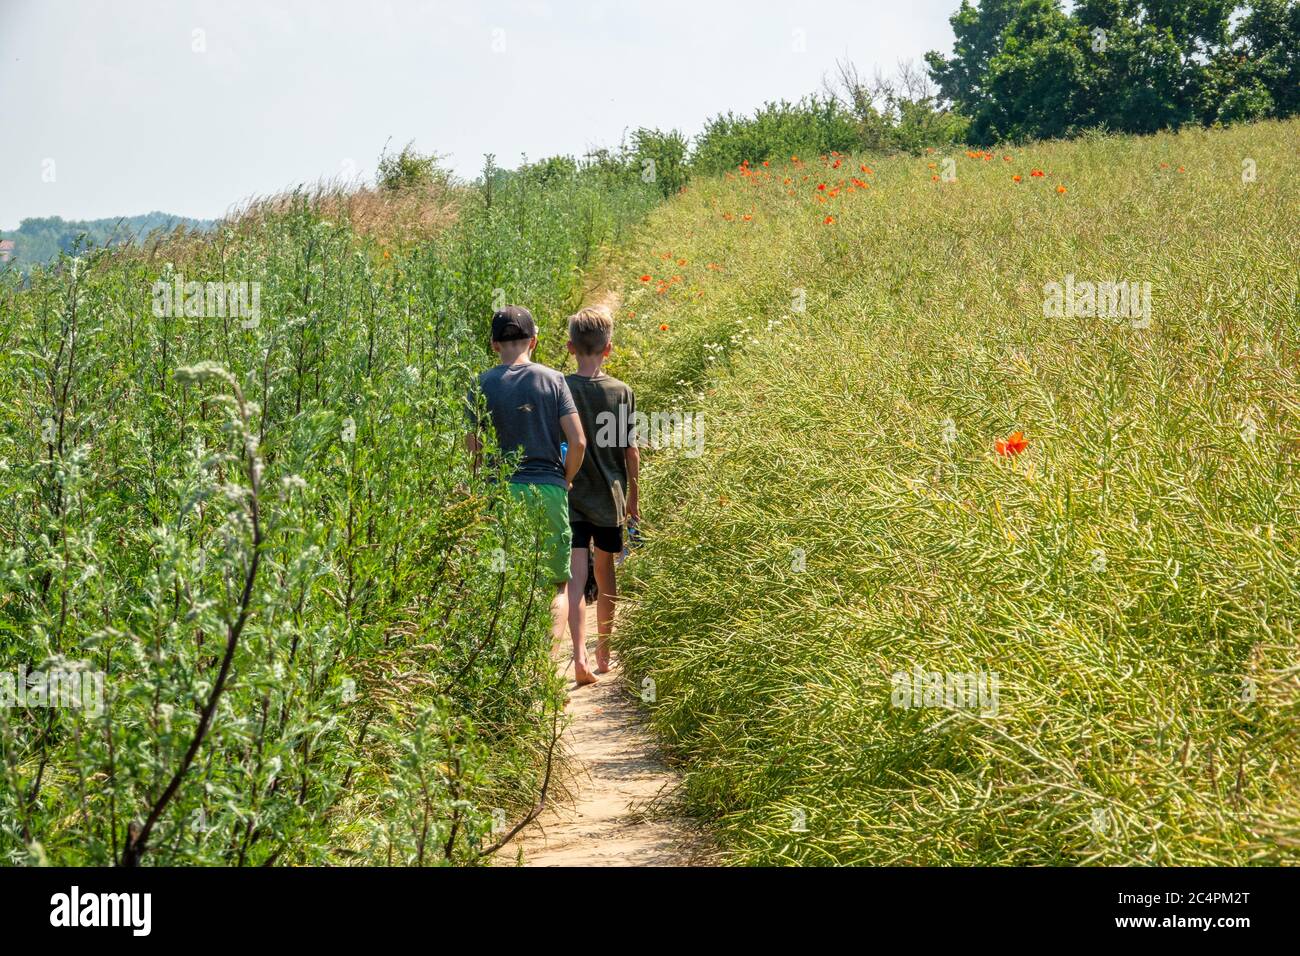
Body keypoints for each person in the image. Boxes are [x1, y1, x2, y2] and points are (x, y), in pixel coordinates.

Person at [466, 306, 589, 682]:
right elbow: (579, 440)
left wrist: (481, 486)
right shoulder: (553, 380)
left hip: (500, 493)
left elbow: (473, 449)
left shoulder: (480, 384)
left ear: (493, 344)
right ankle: (544, 675)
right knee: (555, 583)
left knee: (504, 579)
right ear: (533, 341)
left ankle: (508, 672)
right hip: (547, 488)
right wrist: (564, 479)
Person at [563, 305, 640, 680]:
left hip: (572, 495)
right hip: (610, 498)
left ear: (569, 347)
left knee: (576, 576)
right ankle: (604, 653)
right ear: (608, 349)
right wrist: (634, 502)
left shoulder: (559, 387)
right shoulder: (621, 392)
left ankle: (577, 657)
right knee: (606, 572)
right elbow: (630, 450)